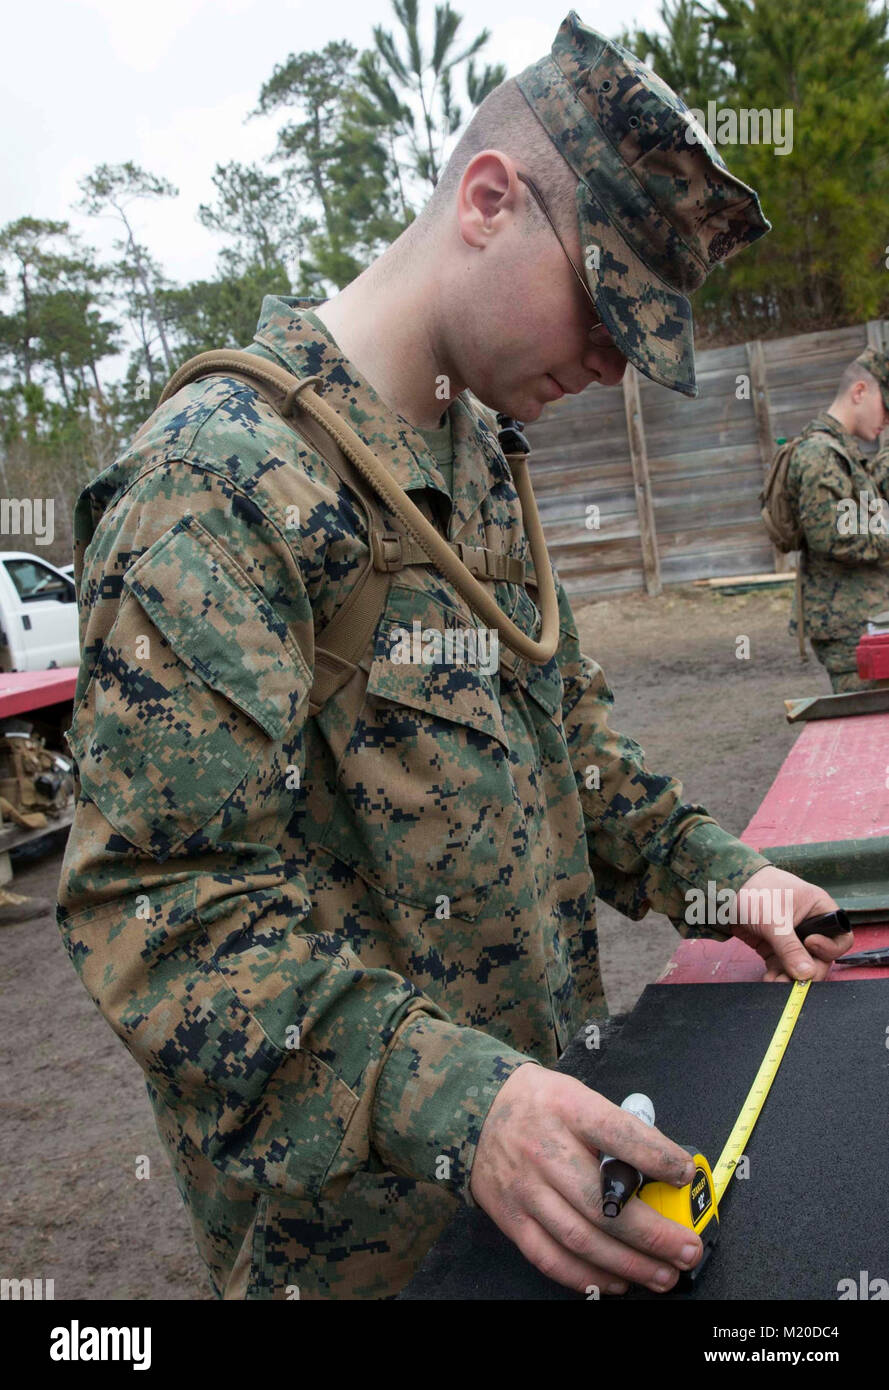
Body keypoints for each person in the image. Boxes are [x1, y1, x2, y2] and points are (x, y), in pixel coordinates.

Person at [55, 12, 851, 1302]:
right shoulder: (214, 483)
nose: (609, 367)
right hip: (361, 1244)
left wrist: (720, 875)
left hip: (547, 1185)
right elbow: (163, 913)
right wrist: (466, 1104)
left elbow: (566, 732)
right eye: (603, 310)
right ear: (488, 199)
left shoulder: (475, 464)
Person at [787, 348, 889, 690]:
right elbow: (831, 534)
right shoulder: (820, 452)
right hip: (851, 631)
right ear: (859, 392)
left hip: (863, 623)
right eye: (886, 407)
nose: (887, 419)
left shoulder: (842, 452)